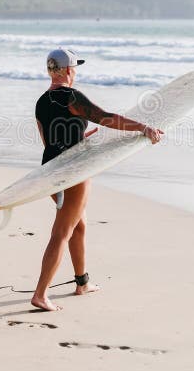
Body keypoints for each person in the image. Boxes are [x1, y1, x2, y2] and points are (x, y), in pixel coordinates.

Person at [32, 48, 163, 311]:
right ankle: (40, 294)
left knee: (77, 225)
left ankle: (82, 282)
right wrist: (143, 127)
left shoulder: (41, 101)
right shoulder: (72, 96)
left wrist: (79, 138)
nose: (75, 72)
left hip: (50, 170)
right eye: (75, 68)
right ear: (69, 70)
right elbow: (107, 118)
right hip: (74, 170)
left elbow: (49, 142)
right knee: (62, 232)